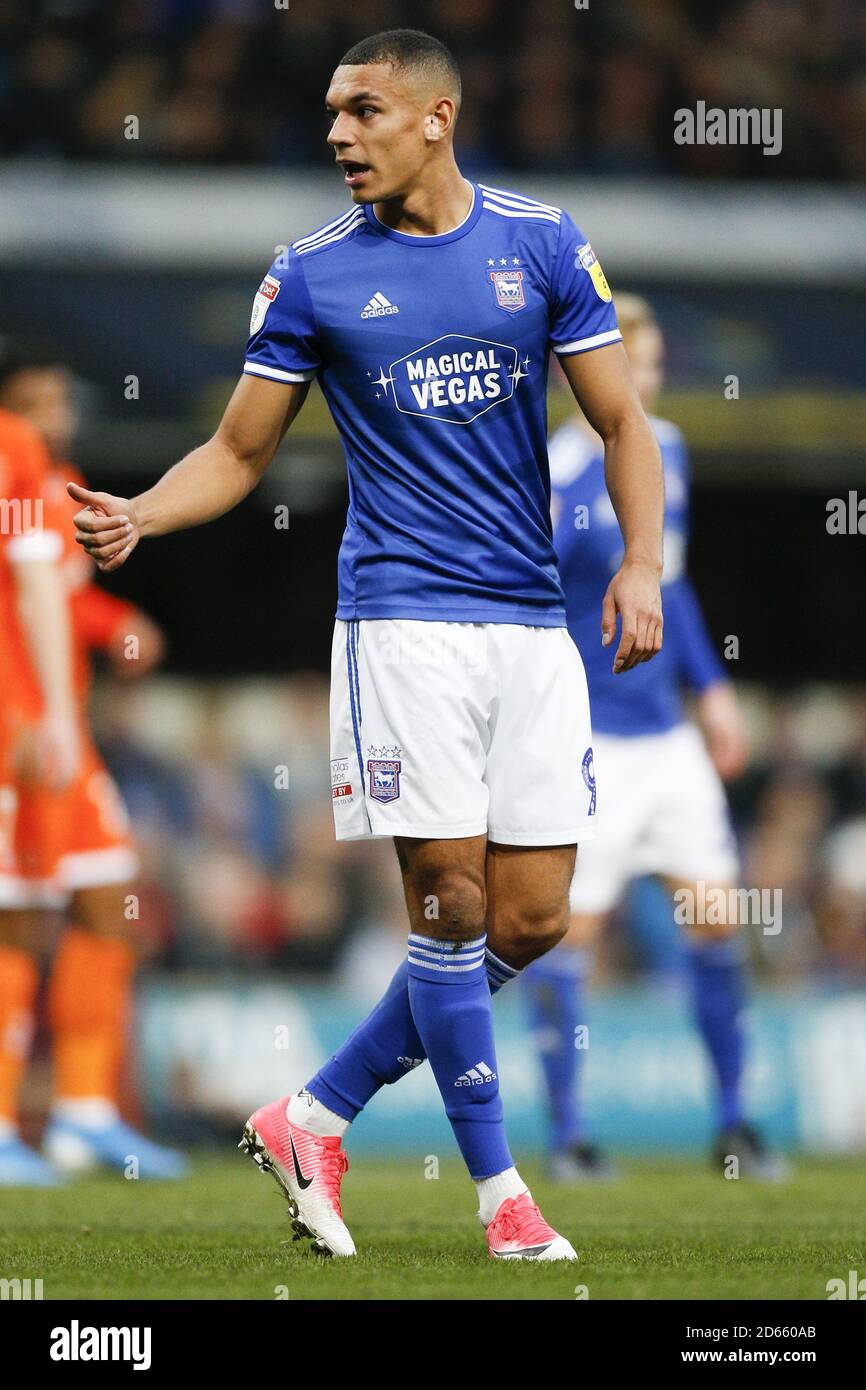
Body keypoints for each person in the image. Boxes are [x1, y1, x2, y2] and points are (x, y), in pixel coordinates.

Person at [71, 29, 664, 1258]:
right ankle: (503, 1197)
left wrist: (644, 564)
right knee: (447, 903)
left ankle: (314, 1109)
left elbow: (622, 421)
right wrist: (140, 511)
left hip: (529, 626)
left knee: (534, 918)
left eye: (364, 110)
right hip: (398, 621)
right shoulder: (310, 275)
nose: (336, 134)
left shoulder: (542, 242)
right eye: (332, 113)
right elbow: (238, 452)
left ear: (436, 116)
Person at [522, 295, 782, 1181]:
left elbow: (670, 581)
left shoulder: (663, 449)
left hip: (667, 736)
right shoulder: (550, 475)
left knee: (716, 921)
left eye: (661, 363)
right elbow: (526, 606)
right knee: (572, 942)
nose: (654, 380)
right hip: (589, 738)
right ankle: (569, 1139)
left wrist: (712, 692)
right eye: (640, 362)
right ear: (583, 370)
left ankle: (737, 1125)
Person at [0, 343, 184, 1183]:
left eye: (58, 400)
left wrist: (112, 627)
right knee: (18, 920)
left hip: (58, 730)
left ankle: (82, 1112)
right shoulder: (13, 459)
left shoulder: (47, 478)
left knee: (109, 901)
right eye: (34, 401)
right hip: (25, 727)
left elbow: (56, 595)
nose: (51, 416)